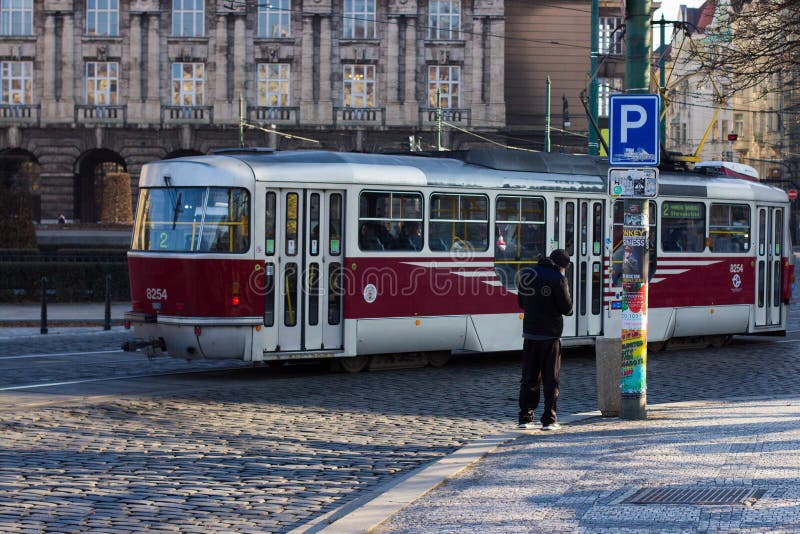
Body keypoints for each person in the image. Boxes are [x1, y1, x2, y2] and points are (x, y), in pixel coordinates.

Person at [516, 249, 573, 431]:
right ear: (563, 266)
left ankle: (525, 417)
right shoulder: (558, 278)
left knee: (529, 377)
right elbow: (567, 309)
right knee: (550, 378)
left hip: (530, 334)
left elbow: (521, 303)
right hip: (550, 336)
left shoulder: (527, 273)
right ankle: (549, 419)